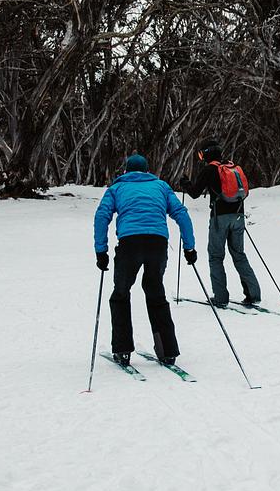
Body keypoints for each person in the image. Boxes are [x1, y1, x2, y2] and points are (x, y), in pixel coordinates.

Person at [93, 153, 196, 367]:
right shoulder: (160, 186)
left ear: (126, 171)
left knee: (121, 294)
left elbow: (102, 216)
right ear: (147, 170)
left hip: (129, 244)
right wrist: (189, 247)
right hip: (157, 244)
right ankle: (167, 351)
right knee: (155, 293)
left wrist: (100, 251)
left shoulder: (117, 188)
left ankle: (122, 350)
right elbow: (181, 214)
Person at [181, 139, 261, 308]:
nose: (201, 157)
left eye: (201, 153)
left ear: (207, 153)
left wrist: (185, 184)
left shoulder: (210, 169)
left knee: (216, 257)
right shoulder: (233, 167)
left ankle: (220, 298)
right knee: (239, 255)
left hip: (219, 218)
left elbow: (195, 193)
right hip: (238, 215)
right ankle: (254, 294)